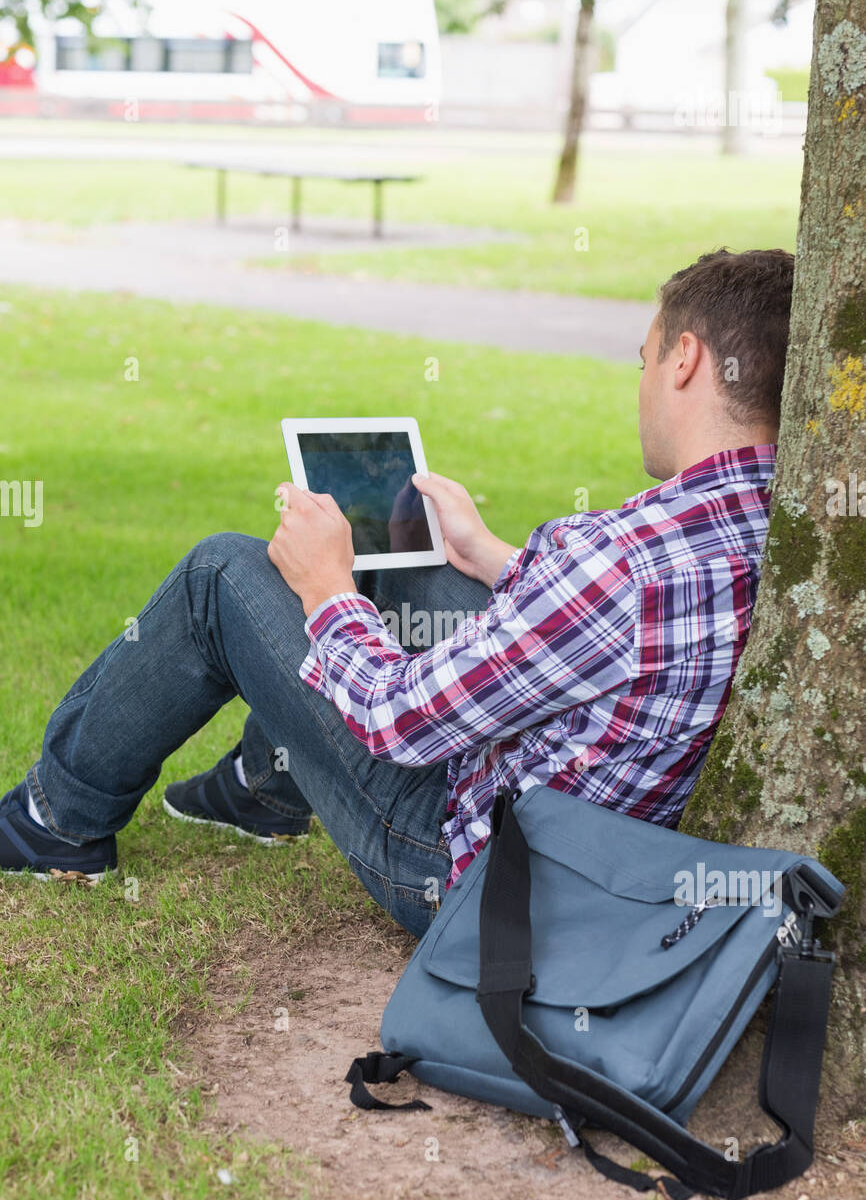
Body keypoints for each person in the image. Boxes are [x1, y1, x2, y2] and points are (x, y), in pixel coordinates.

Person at [0, 248, 794, 939]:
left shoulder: (619, 561)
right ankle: (266, 786)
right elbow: (611, 635)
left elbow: (397, 720)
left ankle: (56, 818)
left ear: (686, 360)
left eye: (646, 358)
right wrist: (485, 553)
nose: (644, 381)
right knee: (414, 564)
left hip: (464, 868)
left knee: (222, 575)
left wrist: (326, 590)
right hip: (586, 835)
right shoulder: (782, 527)